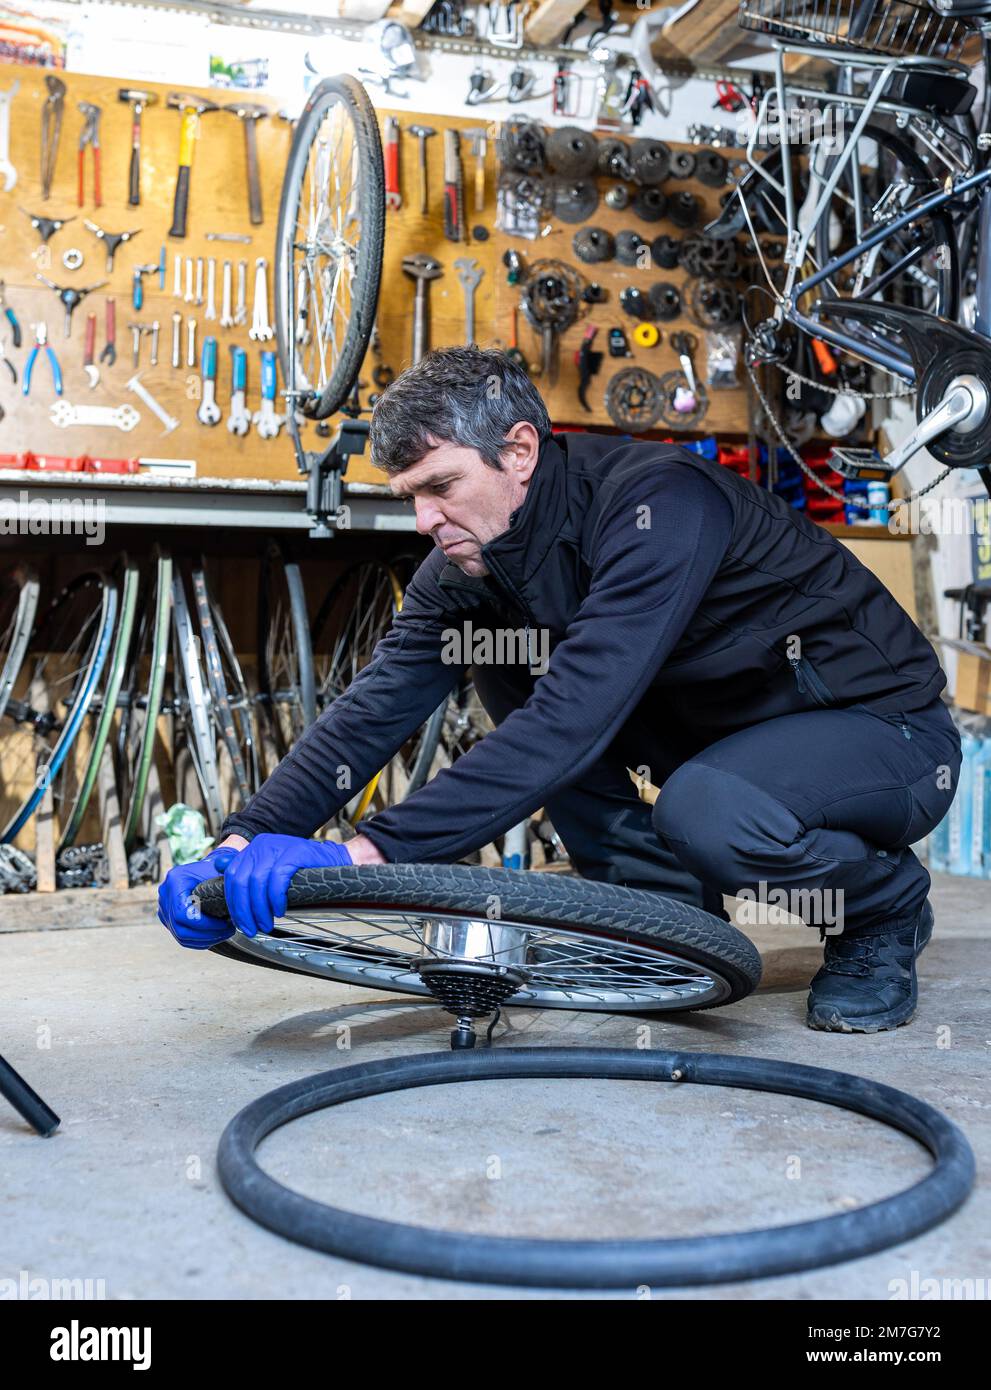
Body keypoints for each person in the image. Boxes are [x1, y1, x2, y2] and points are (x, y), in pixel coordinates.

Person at [159, 347, 962, 1033]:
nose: (423, 521)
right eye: (411, 497)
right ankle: (666, 913)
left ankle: (879, 909)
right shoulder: (469, 567)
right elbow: (374, 706)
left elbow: (573, 717)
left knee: (705, 812)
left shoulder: (659, 504)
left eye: (440, 486)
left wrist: (361, 854)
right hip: (722, 747)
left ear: (517, 450)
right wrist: (240, 839)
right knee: (500, 654)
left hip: (876, 734)